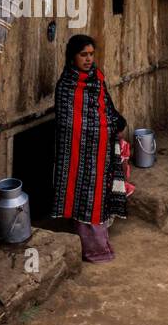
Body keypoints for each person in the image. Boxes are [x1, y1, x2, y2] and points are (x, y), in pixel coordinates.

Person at [52, 34, 129, 263]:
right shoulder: (66, 86)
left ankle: (99, 240)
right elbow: (68, 123)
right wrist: (96, 130)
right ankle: (92, 248)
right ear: (72, 57)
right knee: (83, 194)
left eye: (91, 54)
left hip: (102, 150)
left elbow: (107, 107)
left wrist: (114, 124)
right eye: (83, 55)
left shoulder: (97, 78)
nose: (88, 59)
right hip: (79, 152)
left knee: (98, 195)